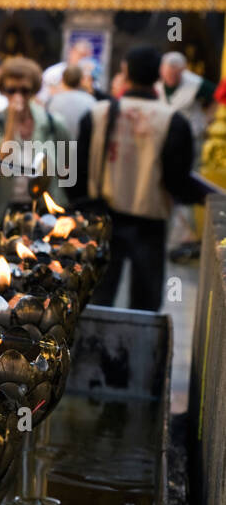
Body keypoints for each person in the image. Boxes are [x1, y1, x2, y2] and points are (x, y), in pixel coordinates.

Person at [76, 45, 207, 311]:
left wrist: (82, 207)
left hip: (102, 218)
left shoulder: (96, 115)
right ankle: (142, 351)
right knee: (145, 303)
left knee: (98, 297)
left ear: (125, 72)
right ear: (158, 75)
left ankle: (93, 350)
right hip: (150, 222)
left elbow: (76, 173)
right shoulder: (173, 122)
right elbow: (177, 181)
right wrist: (205, 196)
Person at [0, 57, 71, 248]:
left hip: (43, 212)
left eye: (24, 90)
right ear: (3, 90)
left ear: (34, 90)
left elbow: (67, 165)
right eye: (12, 90)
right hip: (2, 212)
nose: (18, 95)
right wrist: (12, 123)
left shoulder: (53, 123)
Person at [157, 51, 217, 263]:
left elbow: (215, 98)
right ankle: (175, 233)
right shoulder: (158, 84)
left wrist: (206, 121)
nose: (171, 76)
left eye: (175, 72)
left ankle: (185, 237)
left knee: (184, 184)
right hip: (164, 140)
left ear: (182, 71)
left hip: (189, 140)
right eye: (167, 72)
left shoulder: (196, 84)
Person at [46, 64, 97, 140]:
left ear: (62, 80)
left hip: (59, 148)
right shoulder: (91, 101)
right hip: (80, 149)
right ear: (81, 81)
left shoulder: (52, 101)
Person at [39, 38, 94, 102]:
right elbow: (41, 98)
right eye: (81, 55)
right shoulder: (54, 72)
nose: (83, 60)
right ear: (72, 52)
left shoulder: (90, 77)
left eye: (87, 56)